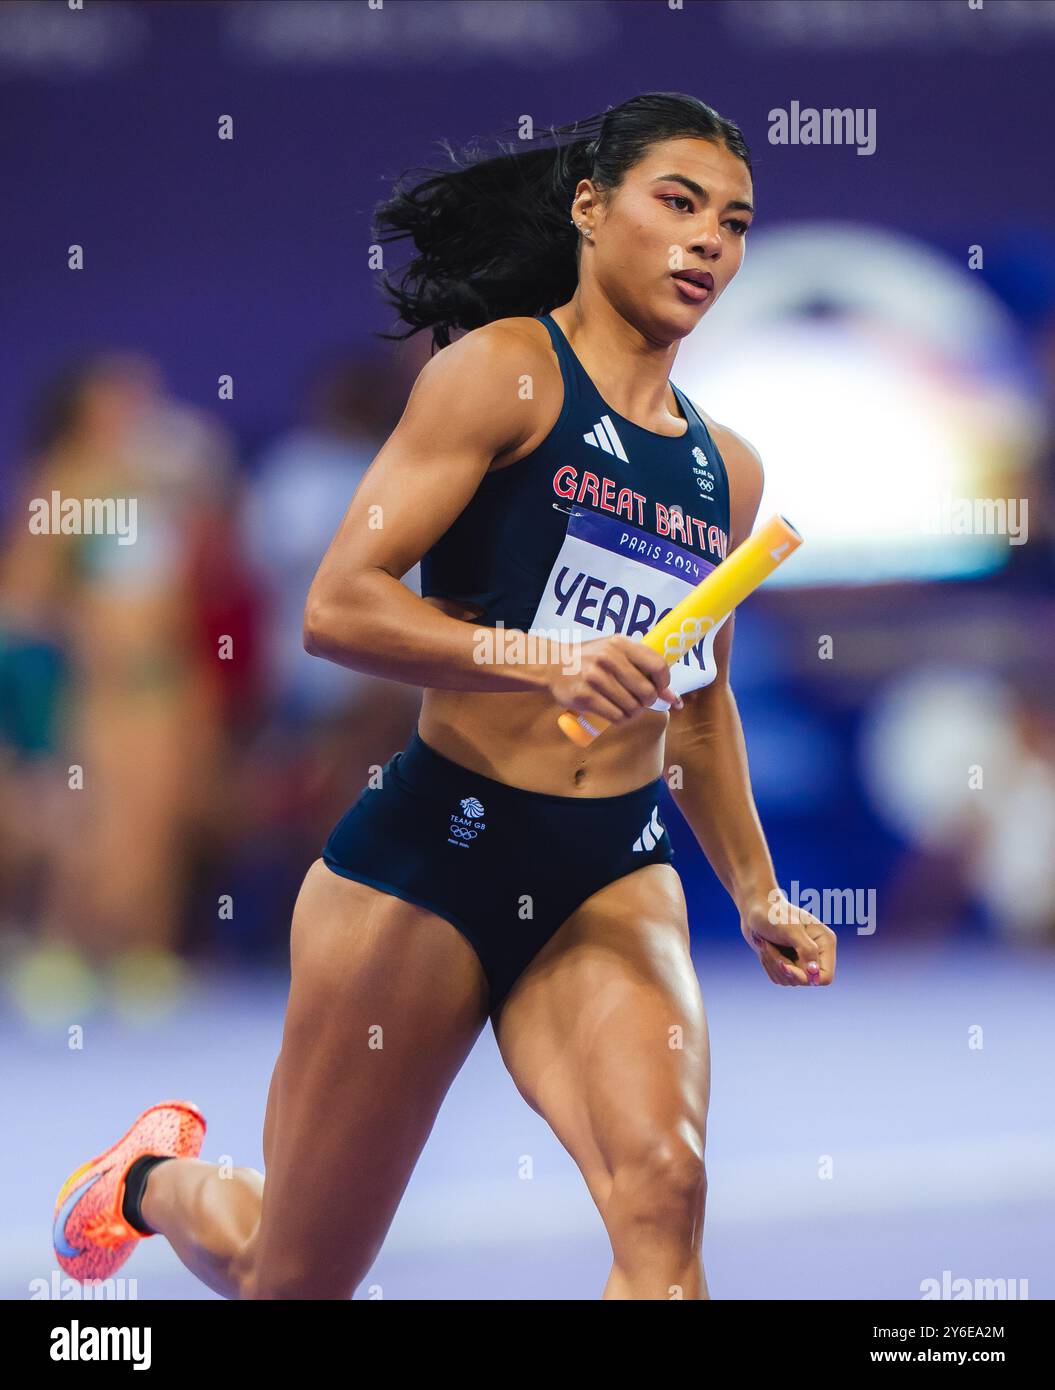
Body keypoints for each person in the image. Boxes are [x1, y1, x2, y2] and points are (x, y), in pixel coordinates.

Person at [53, 91, 836, 1301]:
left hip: (608, 874)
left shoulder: (722, 467)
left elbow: (696, 700)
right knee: (290, 1278)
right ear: (590, 208)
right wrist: (541, 655)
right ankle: (148, 1183)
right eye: (675, 204)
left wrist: (755, 889)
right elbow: (337, 606)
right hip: (429, 866)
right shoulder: (502, 375)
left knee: (663, 1192)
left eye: (731, 223)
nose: (706, 243)